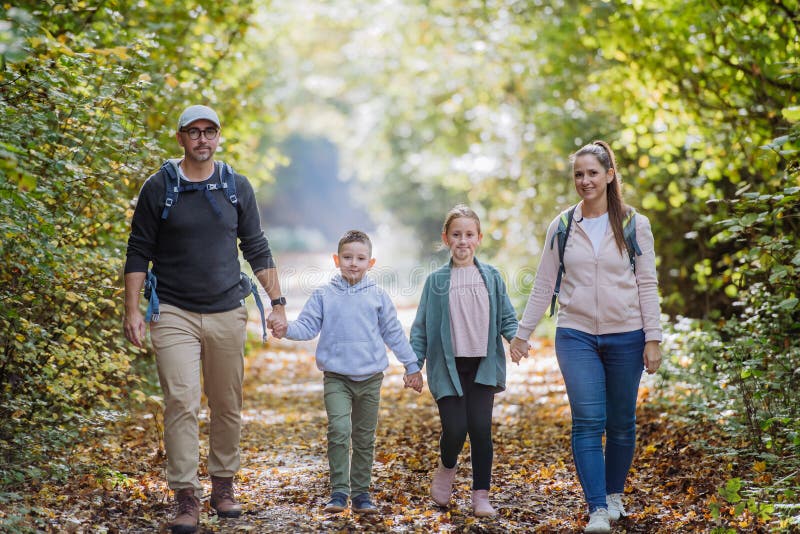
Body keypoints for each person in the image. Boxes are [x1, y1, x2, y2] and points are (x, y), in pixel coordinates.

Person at [123, 105, 288, 534]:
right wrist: (133, 310)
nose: (201, 139)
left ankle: (223, 486)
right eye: (193, 132)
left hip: (227, 310)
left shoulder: (236, 186)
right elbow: (138, 250)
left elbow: (256, 246)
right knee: (181, 401)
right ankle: (185, 496)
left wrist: (278, 302)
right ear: (180, 138)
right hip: (172, 311)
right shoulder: (159, 187)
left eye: (208, 132)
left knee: (226, 403)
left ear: (218, 137)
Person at [510, 140, 663, 533]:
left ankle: (614, 495)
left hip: (627, 335)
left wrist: (653, 338)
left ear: (610, 176)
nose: (585, 180)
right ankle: (597, 508)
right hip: (575, 335)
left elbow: (647, 283)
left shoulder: (634, 224)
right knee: (587, 421)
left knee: (622, 422)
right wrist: (523, 335)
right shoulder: (562, 226)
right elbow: (544, 284)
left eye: (593, 173)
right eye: (578, 174)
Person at [272, 230, 423, 515]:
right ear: (336, 259)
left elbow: (394, 334)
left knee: (365, 437)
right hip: (336, 378)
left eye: (360, 258)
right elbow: (307, 326)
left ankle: (362, 494)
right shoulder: (324, 295)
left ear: (371, 262)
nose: (354, 263)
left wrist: (412, 365)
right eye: (348, 257)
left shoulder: (378, 296)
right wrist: (286, 329)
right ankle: (339, 491)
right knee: (339, 431)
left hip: (370, 378)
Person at [410, 204, 519, 518]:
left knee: (481, 429)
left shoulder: (492, 277)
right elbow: (421, 328)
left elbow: (507, 319)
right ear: (446, 238)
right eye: (456, 234)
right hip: (448, 368)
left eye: (469, 234)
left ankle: (480, 496)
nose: (463, 241)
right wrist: (413, 365)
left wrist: (516, 340)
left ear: (479, 238)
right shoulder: (436, 281)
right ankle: (447, 466)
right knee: (455, 429)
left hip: (483, 366)